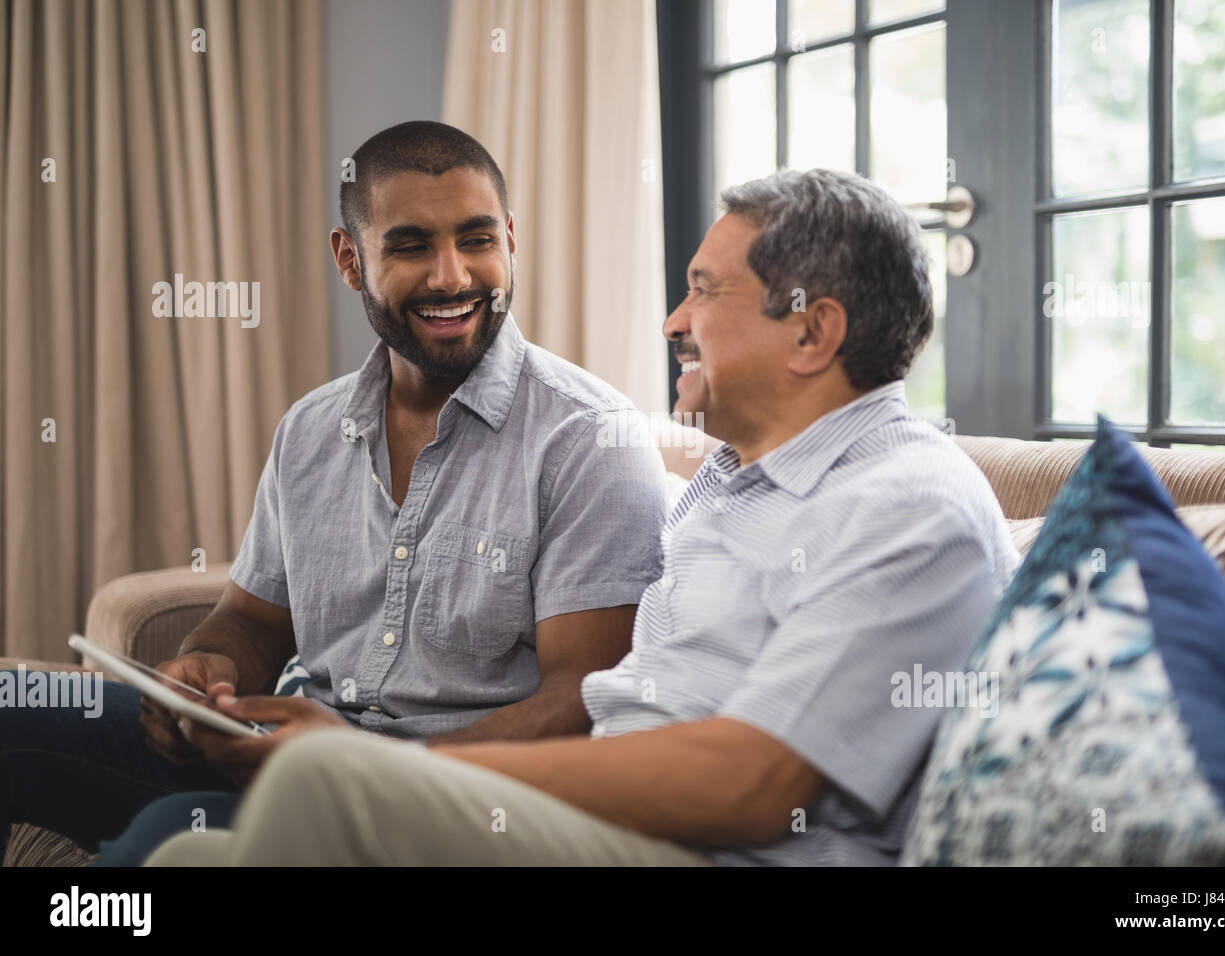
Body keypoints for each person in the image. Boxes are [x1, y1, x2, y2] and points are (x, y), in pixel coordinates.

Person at [145, 167, 1022, 867]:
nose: (675, 321)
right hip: (612, 820)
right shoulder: (738, 480)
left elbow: (755, 784)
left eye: (705, 292)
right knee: (187, 857)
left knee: (320, 785)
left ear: (810, 332)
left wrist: (398, 769)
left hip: (715, 850)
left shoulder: (908, 506)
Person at [0, 121, 667, 865]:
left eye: (477, 240)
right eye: (411, 246)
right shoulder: (310, 430)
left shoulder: (587, 439)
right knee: (12, 710)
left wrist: (347, 767)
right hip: (275, 758)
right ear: (350, 260)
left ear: (510, 239)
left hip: (456, 804)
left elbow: (585, 698)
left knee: (168, 839)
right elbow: (249, 624)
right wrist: (204, 669)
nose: (452, 277)